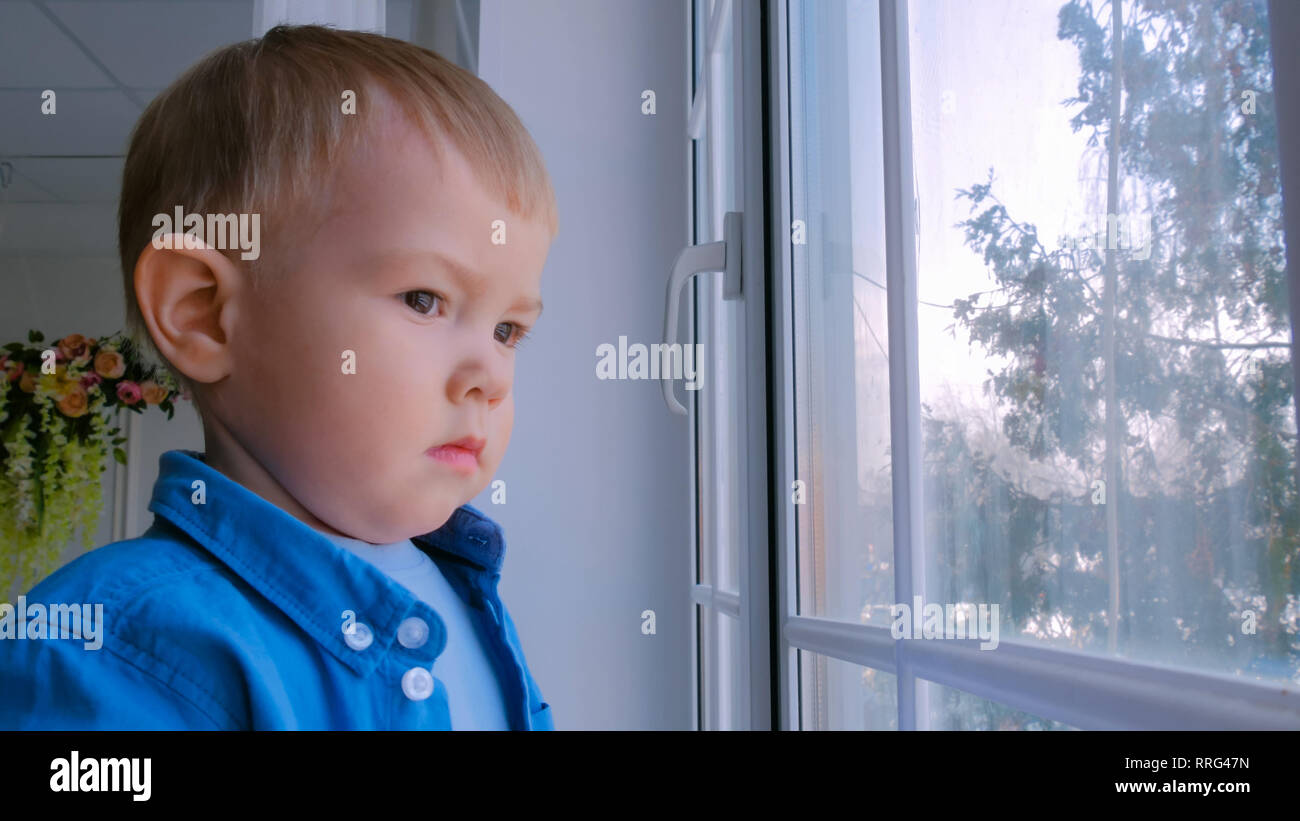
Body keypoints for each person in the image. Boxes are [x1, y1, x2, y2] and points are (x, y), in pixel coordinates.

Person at [0, 23, 557, 730]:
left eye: (509, 329)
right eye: (424, 299)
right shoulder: (108, 648)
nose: (490, 377)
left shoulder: (467, 594)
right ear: (202, 315)